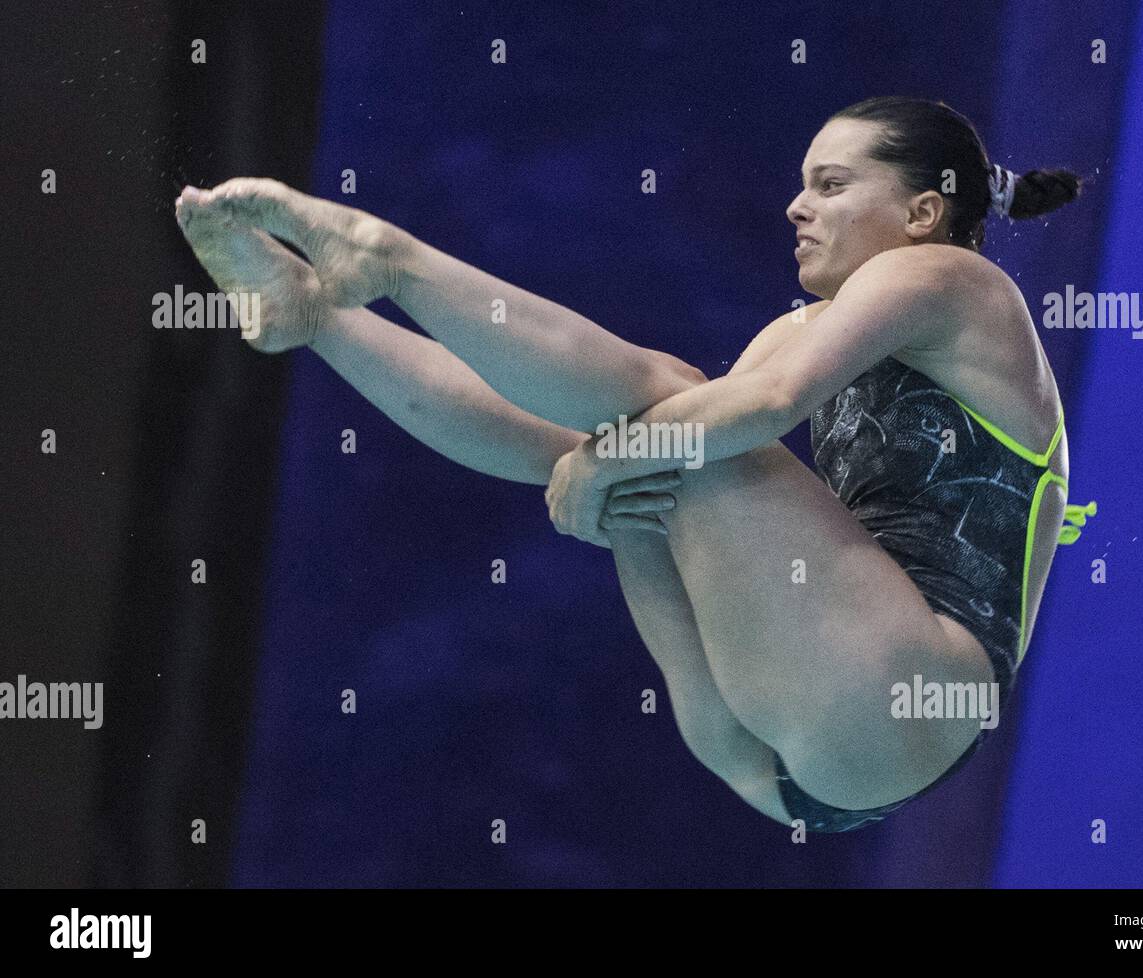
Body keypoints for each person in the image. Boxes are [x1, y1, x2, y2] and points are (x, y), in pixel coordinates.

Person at [175, 96, 1095, 832]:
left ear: (923, 211)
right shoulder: (806, 328)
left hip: (902, 703)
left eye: (831, 184)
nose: (797, 206)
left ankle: (392, 261)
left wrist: (604, 467)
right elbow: (689, 431)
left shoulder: (948, 278)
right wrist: (601, 465)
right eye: (801, 185)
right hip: (792, 758)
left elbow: (767, 405)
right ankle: (319, 316)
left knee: (669, 408)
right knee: (640, 433)